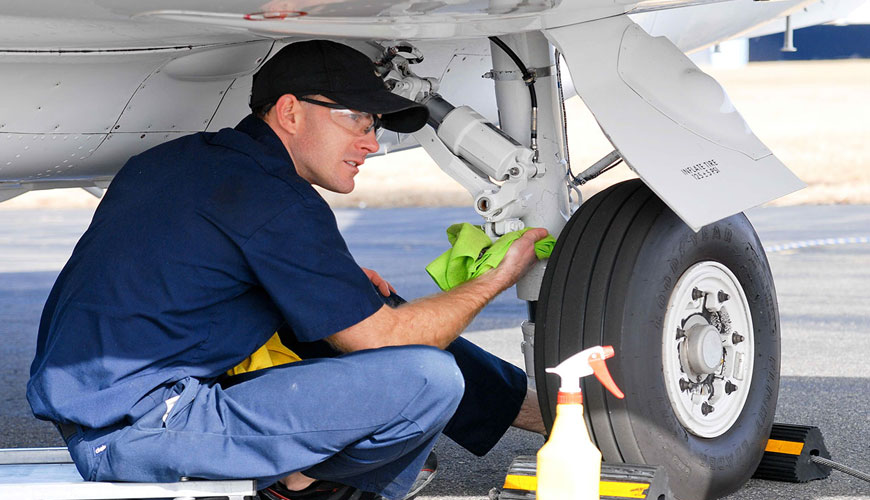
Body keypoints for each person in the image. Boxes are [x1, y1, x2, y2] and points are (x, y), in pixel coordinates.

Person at [27, 39, 548, 500]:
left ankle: (554, 414)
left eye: (375, 127)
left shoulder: (185, 162)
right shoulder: (274, 199)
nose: (371, 142)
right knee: (425, 379)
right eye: (356, 120)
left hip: (108, 408)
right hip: (141, 428)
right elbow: (384, 344)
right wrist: (495, 277)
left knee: (369, 311)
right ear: (291, 112)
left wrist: (327, 290)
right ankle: (300, 484)